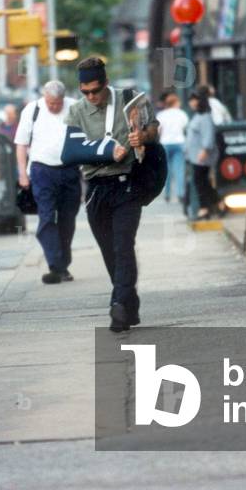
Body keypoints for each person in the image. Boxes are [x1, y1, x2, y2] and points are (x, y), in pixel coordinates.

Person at [65, 57, 158, 332]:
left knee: (123, 245)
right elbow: (70, 151)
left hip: (127, 185)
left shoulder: (130, 99)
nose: (91, 96)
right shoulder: (76, 111)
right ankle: (130, 302)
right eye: (86, 92)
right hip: (96, 189)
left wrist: (143, 136)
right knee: (110, 252)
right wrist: (106, 151)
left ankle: (118, 304)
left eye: (96, 90)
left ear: (106, 83)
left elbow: (154, 127)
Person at [15, 81, 81, 285]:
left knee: (67, 220)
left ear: (64, 98)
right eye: (50, 102)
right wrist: (22, 174)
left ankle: (63, 265)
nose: (54, 107)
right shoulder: (32, 109)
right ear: (44, 96)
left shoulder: (75, 107)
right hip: (42, 170)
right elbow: (21, 143)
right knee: (46, 218)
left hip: (70, 170)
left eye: (57, 103)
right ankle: (56, 265)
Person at [186, 87, 221, 219]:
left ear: (200, 101)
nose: (191, 102)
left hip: (202, 156)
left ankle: (206, 207)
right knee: (201, 181)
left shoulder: (205, 116)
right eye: (191, 100)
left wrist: (205, 151)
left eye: (194, 100)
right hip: (196, 155)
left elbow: (208, 136)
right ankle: (214, 204)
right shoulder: (198, 116)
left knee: (200, 181)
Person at [156, 91, 189, 203]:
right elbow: (185, 127)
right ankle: (180, 193)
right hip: (179, 142)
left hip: (165, 143)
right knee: (179, 169)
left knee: (167, 171)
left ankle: (167, 194)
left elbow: (158, 130)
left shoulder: (161, 115)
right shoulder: (182, 114)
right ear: (175, 103)